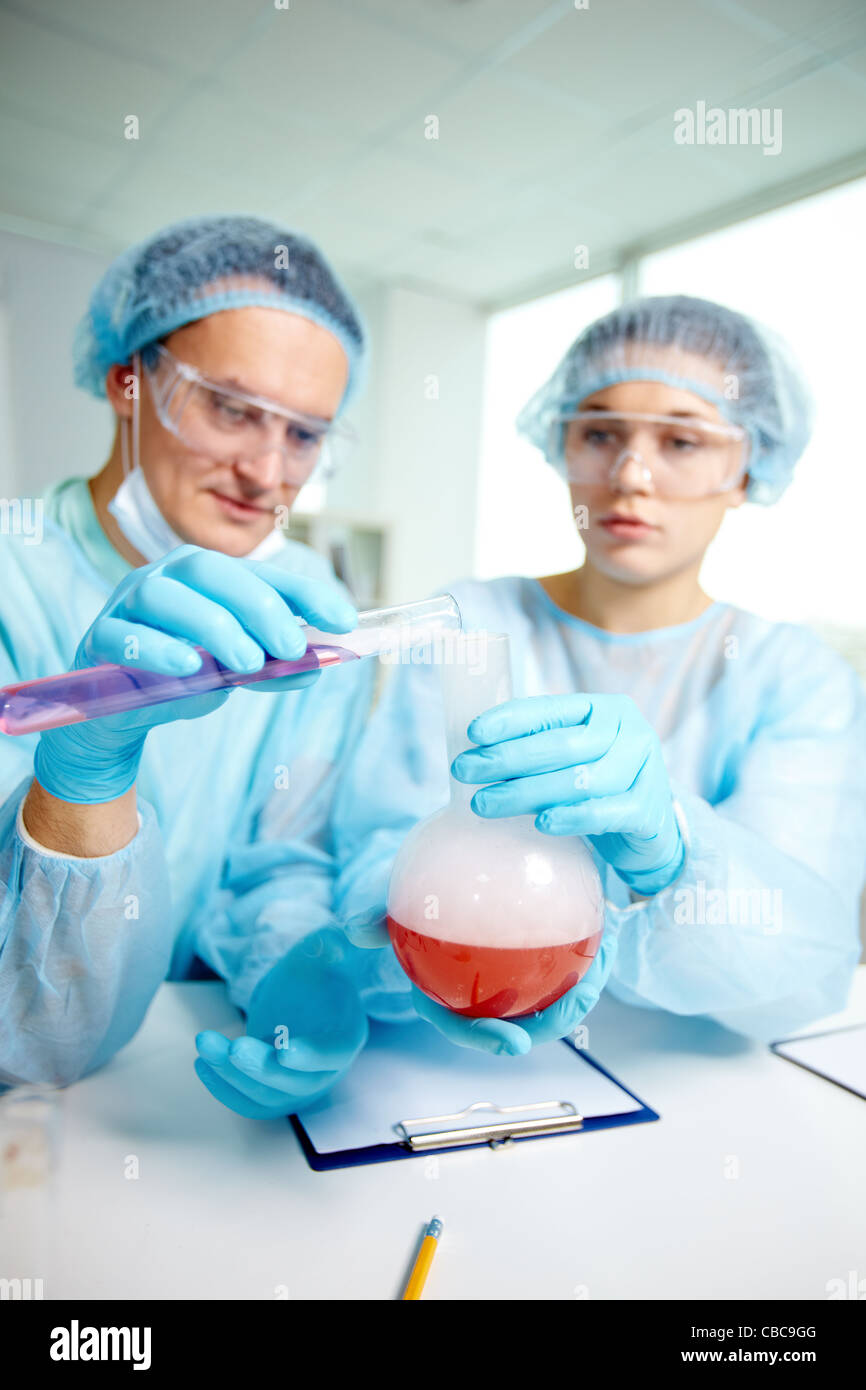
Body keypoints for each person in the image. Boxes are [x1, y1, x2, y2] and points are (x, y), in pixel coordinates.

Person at [333, 295, 866, 1054]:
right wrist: (404, 927)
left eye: (682, 441)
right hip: (452, 1065)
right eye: (601, 433)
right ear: (563, 445)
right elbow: (380, 841)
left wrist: (674, 860)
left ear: (747, 468)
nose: (630, 475)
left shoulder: (797, 677)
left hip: (696, 1084)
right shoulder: (471, 624)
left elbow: (801, 971)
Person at [0, 215, 385, 1114]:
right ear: (126, 380)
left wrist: (298, 964)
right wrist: (84, 778)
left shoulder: (309, 597)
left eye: (304, 435)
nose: (266, 471)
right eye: (231, 407)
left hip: (172, 1080)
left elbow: (279, 856)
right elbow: (28, 1029)